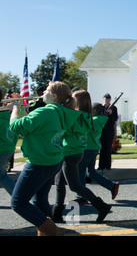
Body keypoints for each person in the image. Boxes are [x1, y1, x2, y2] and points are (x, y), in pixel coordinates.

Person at [9, 81, 80, 236]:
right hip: (52, 160)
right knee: (40, 200)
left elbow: (16, 127)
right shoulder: (60, 112)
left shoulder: (45, 112)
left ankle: (52, 230)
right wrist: (19, 109)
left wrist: (14, 109)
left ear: (54, 95)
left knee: (18, 203)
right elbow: (32, 126)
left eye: (46, 90)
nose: (42, 92)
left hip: (38, 161)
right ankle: (50, 231)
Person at [53, 90, 111, 223]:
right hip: (72, 151)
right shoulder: (85, 115)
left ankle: (101, 206)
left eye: (72, 98)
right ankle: (57, 213)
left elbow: (65, 131)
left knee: (74, 186)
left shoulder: (77, 116)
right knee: (59, 183)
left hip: (70, 152)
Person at [77, 103, 119, 203]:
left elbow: (84, 129)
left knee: (81, 170)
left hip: (88, 148)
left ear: (95, 111)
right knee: (91, 171)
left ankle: (82, 196)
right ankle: (111, 185)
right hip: (94, 147)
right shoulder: (101, 119)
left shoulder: (94, 120)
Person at [0, 89, 18, 195]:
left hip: (2, 150)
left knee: (2, 176)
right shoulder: (9, 115)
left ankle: (19, 196)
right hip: (8, 149)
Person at [98, 93, 118, 170]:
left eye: (108, 99)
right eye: (106, 99)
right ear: (103, 99)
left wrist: (110, 114)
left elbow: (115, 119)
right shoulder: (100, 107)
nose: (107, 100)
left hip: (109, 129)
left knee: (108, 148)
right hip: (102, 129)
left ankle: (108, 165)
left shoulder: (114, 108)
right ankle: (101, 165)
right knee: (102, 148)